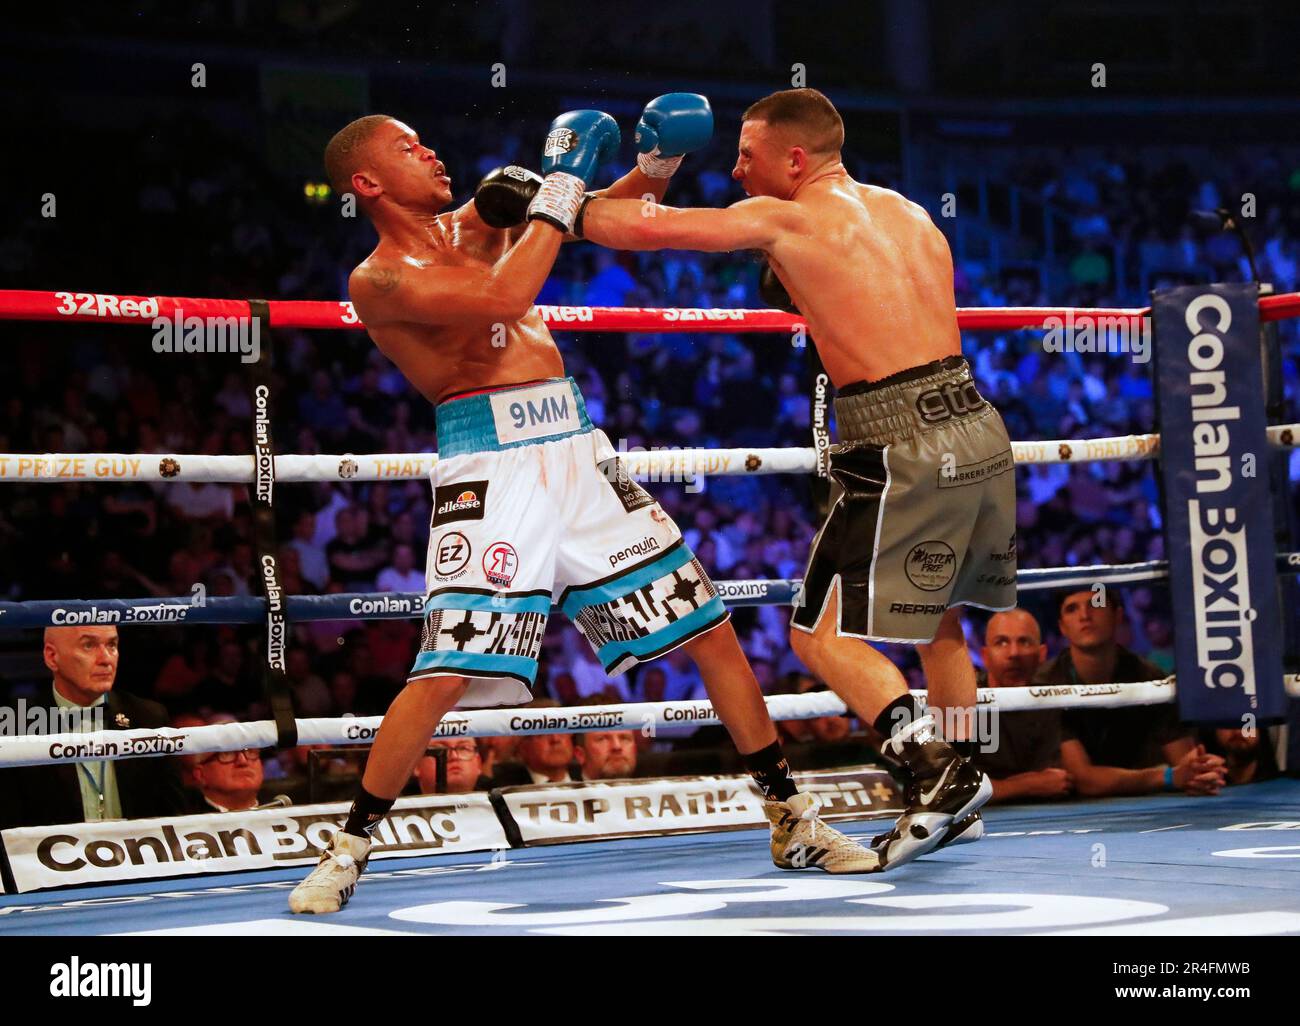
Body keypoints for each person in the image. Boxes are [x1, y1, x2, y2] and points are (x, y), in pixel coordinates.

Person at [290, 98, 876, 915]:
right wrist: (560, 182)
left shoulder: (481, 221)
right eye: (408, 147)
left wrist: (656, 168)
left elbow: (589, 216)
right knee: (449, 667)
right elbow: (503, 299)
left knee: (707, 627)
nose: (430, 152)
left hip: (575, 444)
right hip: (490, 468)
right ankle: (348, 850)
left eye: (426, 140)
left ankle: (792, 818)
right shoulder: (379, 278)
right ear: (366, 182)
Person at [581, 87, 1009, 867]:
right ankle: (964, 787)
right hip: (975, 423)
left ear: (795, 159)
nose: (737, 169)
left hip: (899, 440)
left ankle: (936, 770)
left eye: (747, 155)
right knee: (938, 622)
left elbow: (634, 228)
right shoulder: (912, 214)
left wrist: (582, 187)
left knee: (816, 637)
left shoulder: (788, 215)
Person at [1040, 590, 1227, 797]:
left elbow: (1186, 761)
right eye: (1072, 609)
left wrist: (1201, 771)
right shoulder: (1047, 684)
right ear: (1062, 627)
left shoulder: (1149, 676)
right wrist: (1167, 777)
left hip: (1145, 808)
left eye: (1096, 603)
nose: (1084, 615)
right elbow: (1083, 780)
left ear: (1118, 615)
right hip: (1068, 814)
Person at [0, 625, 187, 828]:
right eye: (88, 645)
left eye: (112, 645)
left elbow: (174, 816)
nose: (106, 659)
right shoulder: (18, 725)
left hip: (140, 854)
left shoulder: (148, 718)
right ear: (52, 657)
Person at [973, 608, 1074, 803]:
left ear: (1042, 653)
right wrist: (1027, 785)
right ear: (985, 655)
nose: (1014, 653)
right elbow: (953, 787)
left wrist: (999, 787)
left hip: (1047, 817)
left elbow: (1060, 780)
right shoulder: (965, 703)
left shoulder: (1052, 702)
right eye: (1001, 642)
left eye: (1024, 642)